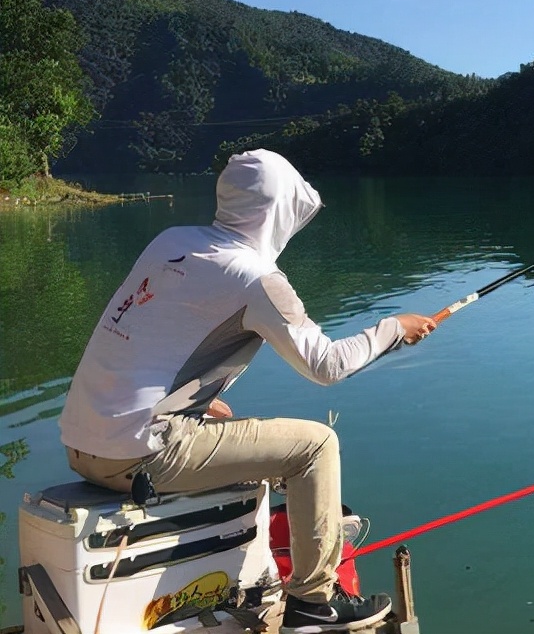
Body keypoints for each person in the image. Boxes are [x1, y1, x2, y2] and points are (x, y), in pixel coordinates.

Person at [59, 149, 436, 632]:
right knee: (316, 445)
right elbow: (328, 365)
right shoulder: (256, 277)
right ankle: (312, 604)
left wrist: (191, 397)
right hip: (141, 452)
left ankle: (248, 573)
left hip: (81, 442)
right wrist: (392, 327)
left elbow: (149, 338)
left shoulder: (171, 241)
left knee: (243, 430)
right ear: (279, 212)